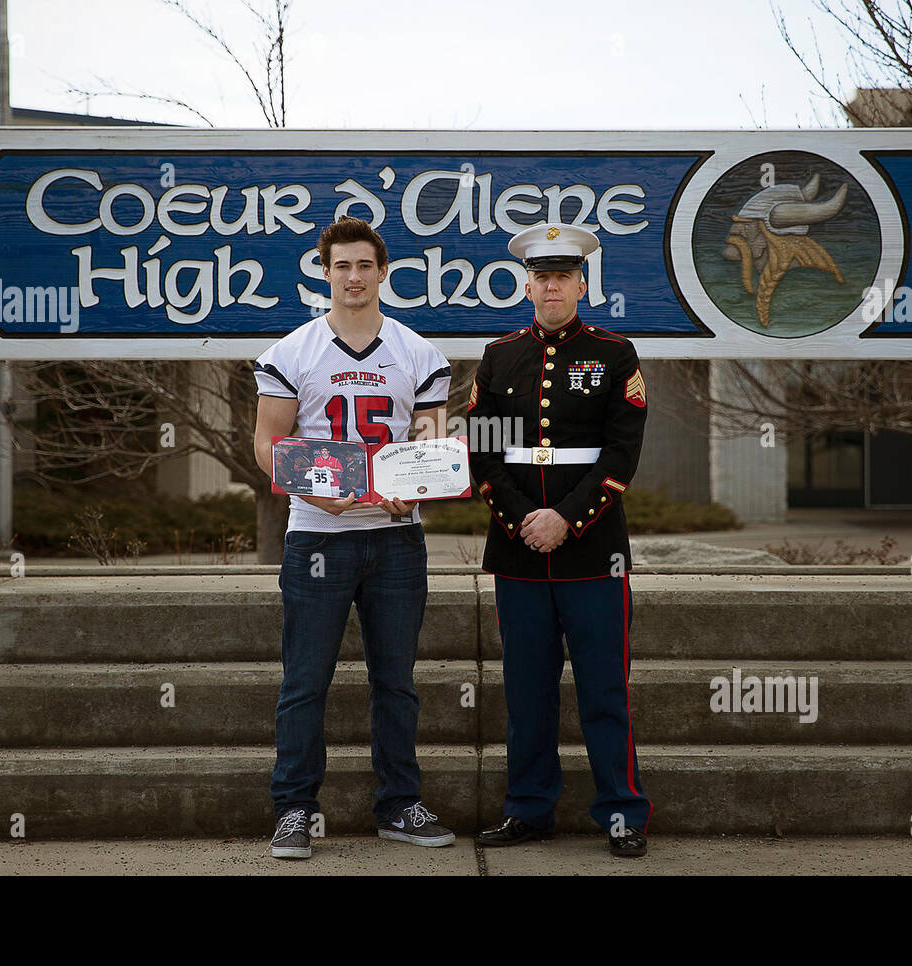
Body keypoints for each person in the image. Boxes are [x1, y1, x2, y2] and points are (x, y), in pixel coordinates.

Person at [253, 216, 454, 859]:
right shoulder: (293, 352)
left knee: (395, 680)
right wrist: (312, 490)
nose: (354, 276)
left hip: (395, 537)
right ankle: (295, 808)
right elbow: (268, 442)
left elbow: (430, 445)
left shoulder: (419, 353)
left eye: (365, 265)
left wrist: (415, 486)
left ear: (383, 272)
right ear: (325, 271)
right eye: (342, 265)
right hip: (318, 536)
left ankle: (399, 804)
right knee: (305, 680)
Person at [469, 222, 653, 858]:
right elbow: (483, 456)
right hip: (518, 552)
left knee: (605, 689)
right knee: (526, 692)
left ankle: (623, 812)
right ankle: (529, 809)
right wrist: (526, 519)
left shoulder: (614, 354)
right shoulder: (499, 358)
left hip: (592, 551)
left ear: (581, 284)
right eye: (541, 277)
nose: (552, 286)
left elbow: (622, 457)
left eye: (563, 277)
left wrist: (566, 520)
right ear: (528, 285)